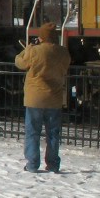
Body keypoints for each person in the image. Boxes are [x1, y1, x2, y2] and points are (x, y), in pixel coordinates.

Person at [14, 22, 72, 173]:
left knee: (33, 132)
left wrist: (27, 49)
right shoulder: (63, 52)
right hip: (54, 98)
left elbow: (20, 63)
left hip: (35, 99)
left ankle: (32, 164)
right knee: (53, 133)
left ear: (41, 37)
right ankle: (53, 164)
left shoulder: (34, 51)